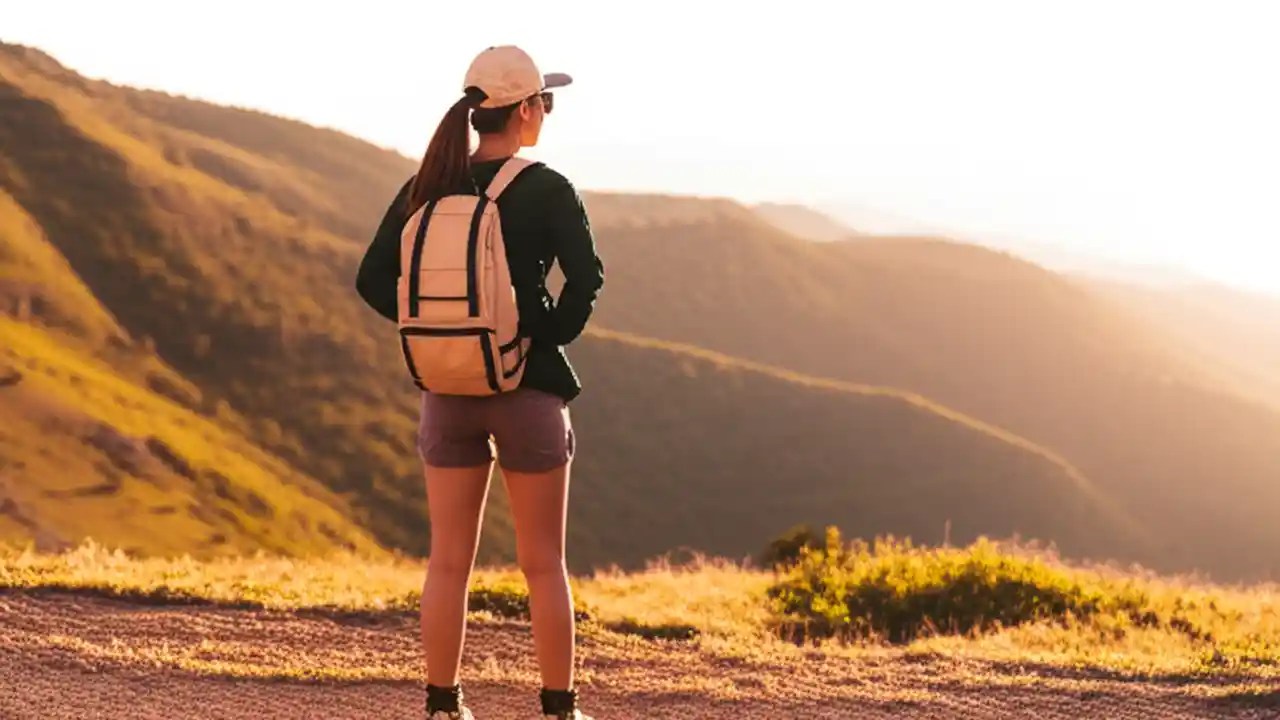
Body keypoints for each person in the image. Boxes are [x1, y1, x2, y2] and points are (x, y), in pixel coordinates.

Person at [355, 45, 604, 720]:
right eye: (543, 103)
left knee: (448, 562)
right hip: (527, 391)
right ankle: (559, 709)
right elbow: (587, 279)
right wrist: (537, 335)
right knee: (543, 565)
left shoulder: (428, 185)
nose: (545, 114)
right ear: (524, 110)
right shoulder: (547, 187)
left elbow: (373, 279)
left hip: (446, 393)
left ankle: (443, 705)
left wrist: (439, 337)